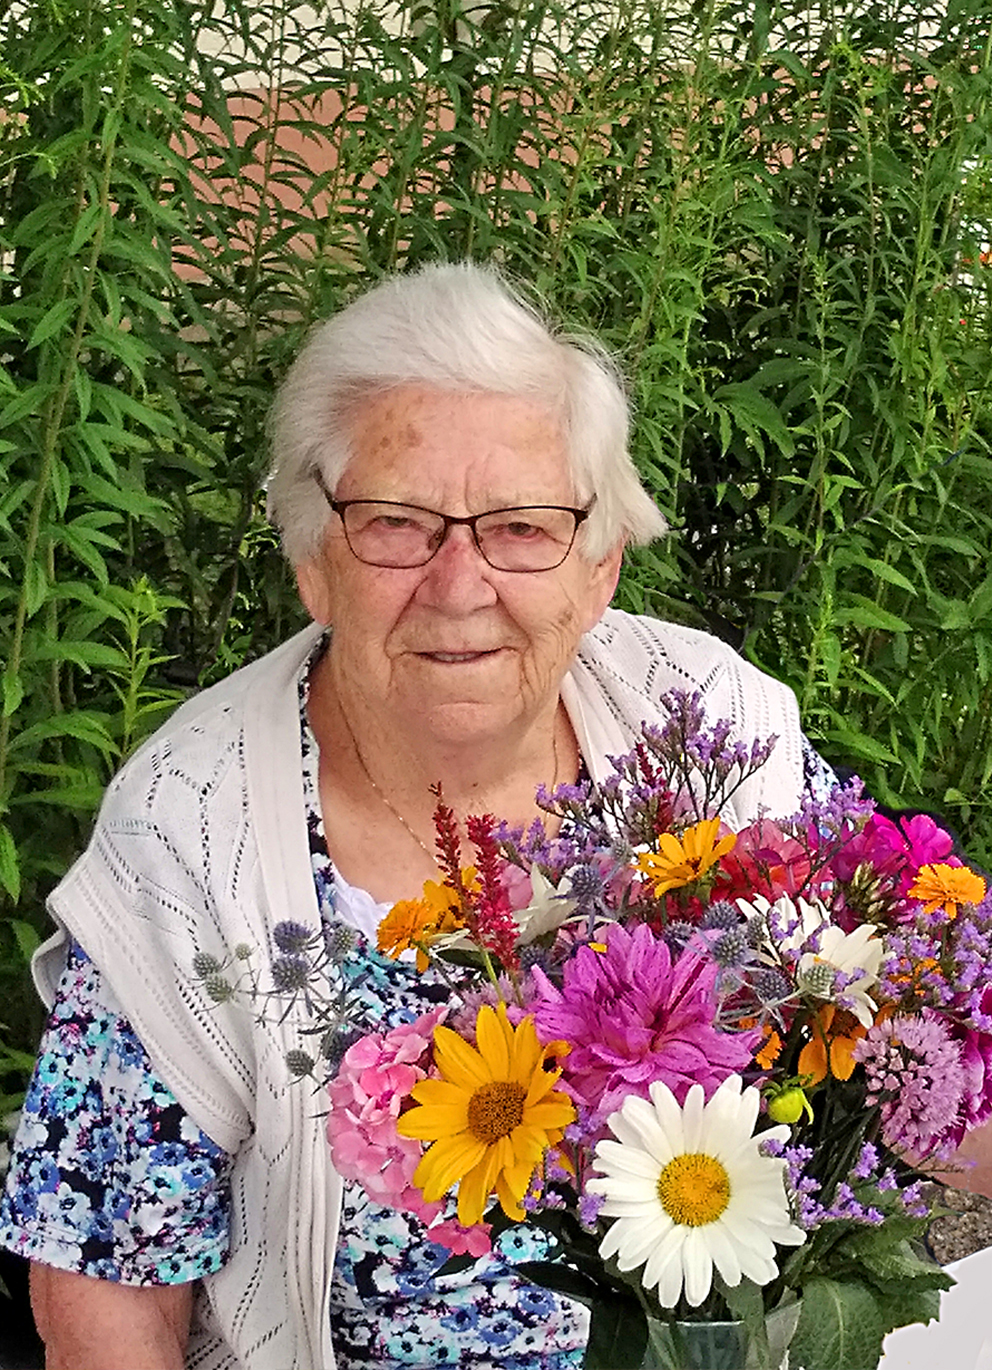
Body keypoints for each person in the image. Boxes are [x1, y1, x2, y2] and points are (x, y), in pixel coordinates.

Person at [0, 262, 827, 1370]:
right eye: (395, 524)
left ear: (598, 565)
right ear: (312, 563)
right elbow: (107, 1283)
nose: (457, 582)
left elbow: (912, 1023)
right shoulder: (187, 831)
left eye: (521, 528)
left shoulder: (711, 725)